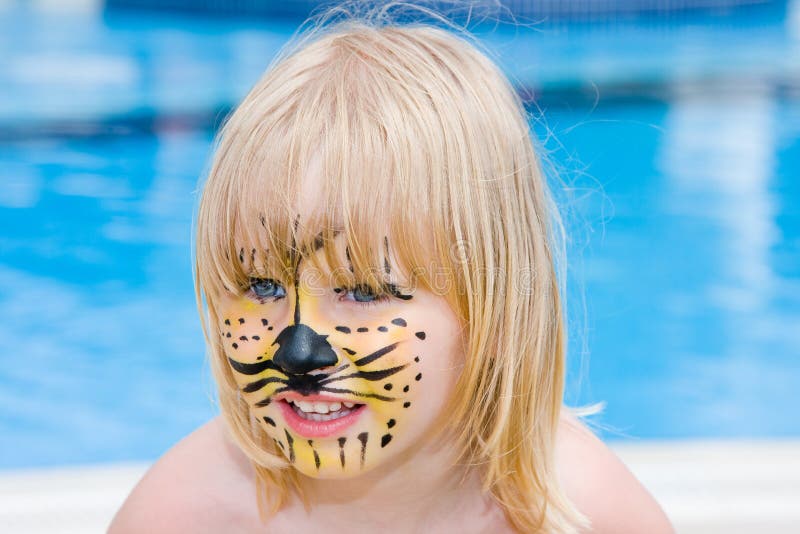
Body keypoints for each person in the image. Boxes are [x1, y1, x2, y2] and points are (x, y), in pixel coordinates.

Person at [110, 5, 674, 533]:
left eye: (363, 291)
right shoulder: (185, 515)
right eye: (261, 286)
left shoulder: (581, 511)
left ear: (498, 308)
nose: (298, 350)